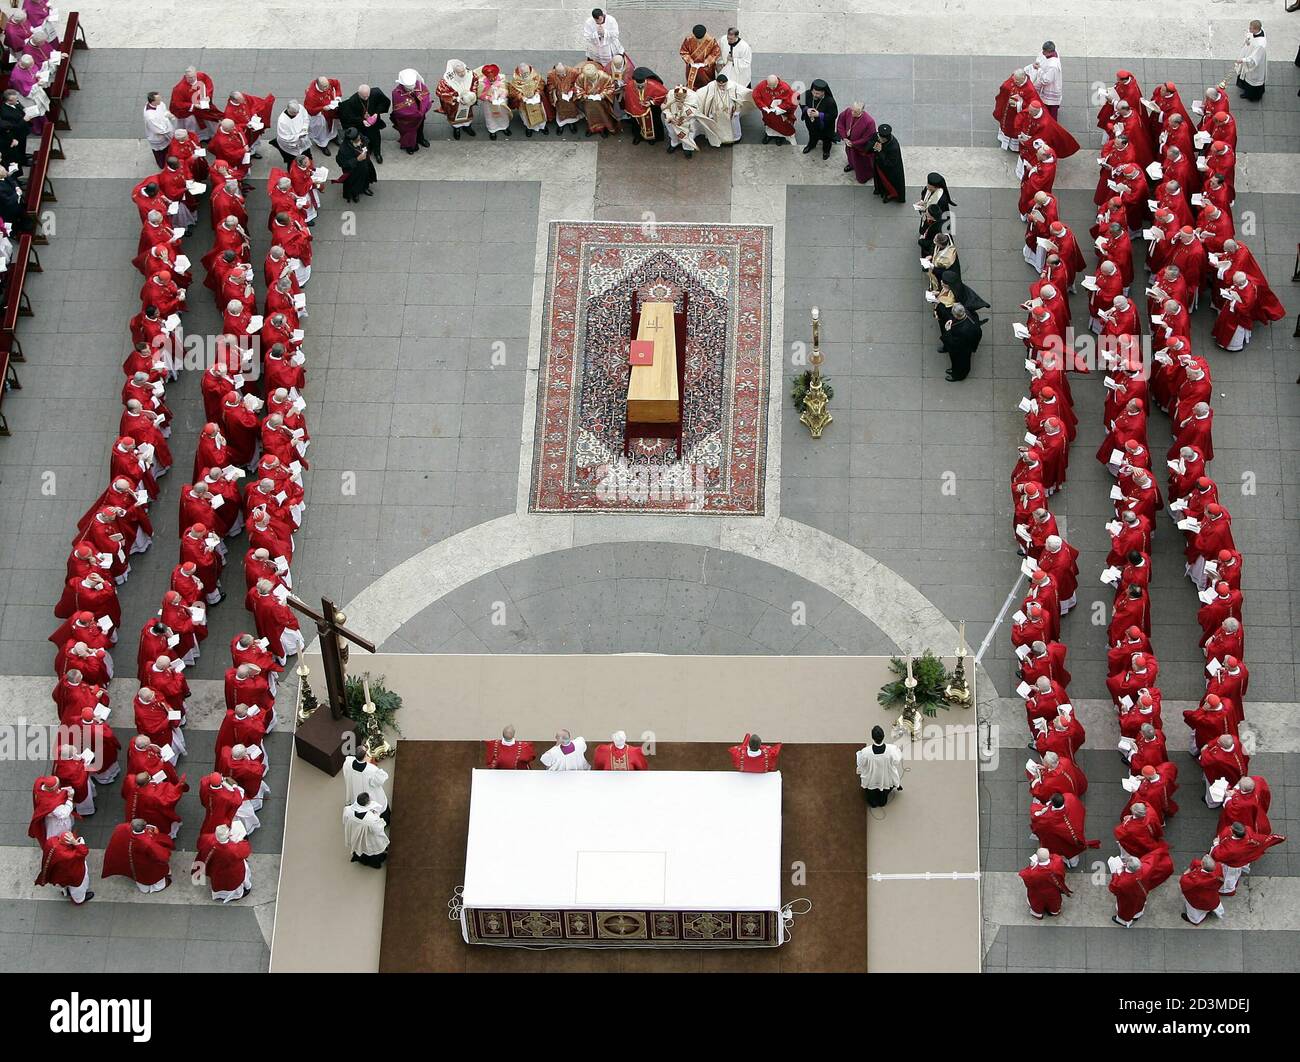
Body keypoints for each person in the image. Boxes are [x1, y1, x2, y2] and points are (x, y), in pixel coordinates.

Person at [1212, 821, 1287, 895]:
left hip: (1232, 864)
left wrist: (1216, 844)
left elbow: (1217, 855)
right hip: (1242, 859)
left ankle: (1228, 890)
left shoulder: (1232, 849)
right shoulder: (1248, 830)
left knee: (1229, 877)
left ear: (1233, 833)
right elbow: (1261, 839)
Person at [102, 818, 174, 893]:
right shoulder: (147, 842)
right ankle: (157, 887)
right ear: (144, 826)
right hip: (146, 862)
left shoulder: (121, 828)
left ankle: (144, 888)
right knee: (155, 873)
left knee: (139, 874)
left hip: (132, 860)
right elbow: (160, 855)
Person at [1109, 846, 1174, 927]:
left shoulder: (1123, 881)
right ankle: (1137, 915)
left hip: (1128, 898)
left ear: (1126, 865)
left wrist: (1115, 873)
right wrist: (1162, 848)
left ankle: (1124, 922)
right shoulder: (1146, 868)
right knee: (1139, 904)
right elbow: (1154, 856)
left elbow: (1113, 888)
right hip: (1141, 893)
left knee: (1126, 909)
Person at [197, 822, 252, 902]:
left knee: (219, 881)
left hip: (216, 869)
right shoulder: (234, 849)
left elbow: (201, 847)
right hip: (232, 871)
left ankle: (221, 895)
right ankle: (237, 894)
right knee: (239, 875)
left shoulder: (207, 839)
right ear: (228, 835)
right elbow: (246, 851)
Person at [35, 831, 94, 906]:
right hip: (73, 875)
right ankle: (78, 900)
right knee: (78, 889)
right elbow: (84, 851)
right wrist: (76, 843)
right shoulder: (68, 855)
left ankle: (65, 891)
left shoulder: (51, 841)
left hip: (58, 874)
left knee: (64, 884)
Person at [338, 84, 389, 164]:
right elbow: (350, 116)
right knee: (364, 139)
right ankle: (369, 149)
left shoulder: (375, 93)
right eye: (363, 97)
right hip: (362, 125)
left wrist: (377, 113)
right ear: (359, 94)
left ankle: (377, 153)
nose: (366, 98)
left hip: (373, 122)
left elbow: (383, 103)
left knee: (376, 138)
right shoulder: (353, 100)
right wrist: (362, 121)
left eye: (367, 96)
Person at [855, 725, 903, 806]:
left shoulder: (865, 752)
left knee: (872, 801)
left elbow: (861, 764)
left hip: (871, 779)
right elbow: (896, 761)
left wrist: (860, 770)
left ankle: (873, 802)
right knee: (882, 802)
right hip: (885, 779)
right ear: (883, 736)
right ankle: (882, 801)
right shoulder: (892, 749)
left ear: (872, 737)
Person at [1019, 847, 1071, 918]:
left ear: (1037, 858)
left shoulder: (1032, 873)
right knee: (1054, 902)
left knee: (1037, 903)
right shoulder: (1058, 862)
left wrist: (1031, 867)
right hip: (1053, 891)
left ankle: (1038, 914)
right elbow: (1055, 858)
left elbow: (1028, 884)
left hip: (1038, 892)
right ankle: (1054, 911)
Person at [392, 69, 433, 154]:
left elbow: (426, 95)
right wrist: (413, 114)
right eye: (408, 87)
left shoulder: (419, 85)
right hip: (407, 120)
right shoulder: (396, 93)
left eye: (412, 86)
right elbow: (399, 109)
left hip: (420, 115)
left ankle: (420, 139)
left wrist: (422, 110)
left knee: (420, 128)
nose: (411, 89)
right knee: (408, 133)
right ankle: (410, 146)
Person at [344, 792, 389, 868]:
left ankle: (360, 858)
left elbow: (345, 820)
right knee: (370, 849)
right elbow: (377, 830)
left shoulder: (348, 810)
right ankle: (374, 863)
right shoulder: (370, 818)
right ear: (367, 803)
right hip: (368, 838)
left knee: (360, 848)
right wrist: (377, 817)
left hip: (355, 835)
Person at [575, 60, 619, 137]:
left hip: (601, 102)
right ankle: (592, 128)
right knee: (590, 116)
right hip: (588, 103)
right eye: (589, 78)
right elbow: (578, 88)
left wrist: (602, 95)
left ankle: (604, 128)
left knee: (603, 115)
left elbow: (611, 88)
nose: (591, 79)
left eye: (592, 77)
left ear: (596, 72)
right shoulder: (581, 78)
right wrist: (586, 96)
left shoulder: (604, 76)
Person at [940, 303, 982, 383]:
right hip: (966, 345)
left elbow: (953, 343)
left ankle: (959, 375)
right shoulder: (966, 313)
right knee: (957, 361)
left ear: (957, 316)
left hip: (962, 349)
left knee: (961, 362)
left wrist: (948, 331)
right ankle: (954, 369)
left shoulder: (964, 330)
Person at [835, 100, 876, 182]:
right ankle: (851, 165)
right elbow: (840, 122)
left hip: (860, 149)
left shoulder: (869, 122)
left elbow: (867, 137)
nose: (852, 113)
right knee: (850, 156)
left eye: (856, 112)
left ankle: (863, 177)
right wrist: (844, 137)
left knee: (861, 164)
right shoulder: (848, 111)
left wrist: (853, 143)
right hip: (849, 144)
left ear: (862, 111)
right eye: (852, 110)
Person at [1179, 854, 1225, 925]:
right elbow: (1197, 862)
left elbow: (1183, 880)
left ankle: (1194, 920)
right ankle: (1209, 911)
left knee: (1195, 912)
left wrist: (1187, 871)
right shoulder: (1218, 867)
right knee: (1211, 903)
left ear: (1202, 865)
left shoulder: (1197, 881)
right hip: (1212, 898)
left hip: (1199, 900)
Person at [916, 172, 954, 258]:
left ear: (936, 187)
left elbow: (941, 214)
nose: (927, 187)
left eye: (929, 186)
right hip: (929, 217)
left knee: (929, 232)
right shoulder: (929, 189)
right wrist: (922, 201)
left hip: (933, 220)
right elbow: (924, 194)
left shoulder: (941, 199)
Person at [751, 74, 797, 145]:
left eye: (774, 86)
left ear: (777, 82)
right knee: (769, 122)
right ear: (767, 83)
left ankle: (779, 137)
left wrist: (779, 108)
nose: (772, 89)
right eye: (770, 86)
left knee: (781, 124)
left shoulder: (785, 87)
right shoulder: (762, 85)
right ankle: (769, 135)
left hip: (779, 112)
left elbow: (790, 101)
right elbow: (756, 95)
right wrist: (763, 106)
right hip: (768, 111)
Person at [509, 64, 551, 138]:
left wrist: (537, 92)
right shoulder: (515, 81)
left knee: (541, 113)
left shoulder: (535, 76)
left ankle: (542, 127)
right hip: (524, 103)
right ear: (519, 72)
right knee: (526, 116)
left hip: (537, 100)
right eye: (523, 73)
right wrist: (521, 97)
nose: (526, 75)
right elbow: (513, 92)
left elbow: (541, 84)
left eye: (527, 73)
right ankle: (529, 128)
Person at [303, 75, 342, 155]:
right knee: (322, 131)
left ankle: (333, 137)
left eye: (328, 86)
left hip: (331, 111)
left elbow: (337, 83)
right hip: (320, 116)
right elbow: (310, 110)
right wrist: (322, 108)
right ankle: (322, 145)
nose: (327, 88)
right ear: (319, 85)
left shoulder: (327, 83)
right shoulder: (311, 95)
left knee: (333, 125)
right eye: (324, 87)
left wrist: (337, 96)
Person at [337, 126, 376, 203]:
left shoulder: (359, 137)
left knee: (365, 177)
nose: (359, 138)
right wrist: (357, 159)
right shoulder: (344, 149)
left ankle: (365, 188)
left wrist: (364, 144)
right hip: (354, 170)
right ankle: (355, 194)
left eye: (359, 137)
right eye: (357, 139)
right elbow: (342, 163)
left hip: (365, 164)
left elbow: (366, 139)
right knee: (355, 182)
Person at [799, 79, 838, 159]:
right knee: (812, 135)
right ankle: (811, 145)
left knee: (826, 140)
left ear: (823, 92)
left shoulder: (830, 101)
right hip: (811, 123)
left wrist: (819, 114)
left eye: (817, 93)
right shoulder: (808, 93)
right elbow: (801, 100)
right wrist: (806, 109)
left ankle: (826, 151)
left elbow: (833, 115)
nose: (814, 95)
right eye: (813, 92)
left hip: (825, 126)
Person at [343, 752, 389, 818]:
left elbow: (346, 773)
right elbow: (380, 780)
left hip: (355, 789)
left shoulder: (348, 762)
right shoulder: (372, 769)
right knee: (376, 803)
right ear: (365, 757)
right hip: (369, 792)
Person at [868, 124, 906, 203]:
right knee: (879, 179)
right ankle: (879, 189)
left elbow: (890, 163)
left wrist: (880, 151)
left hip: (889, 171)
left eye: (881, 138)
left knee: (888, 183)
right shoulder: (878, 136)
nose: (878, 138)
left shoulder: (894, 146)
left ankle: (891, 194)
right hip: (879, 166)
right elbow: (870, 142)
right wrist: (873, 146)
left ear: (886, 138)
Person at [680, 24, 720, 90]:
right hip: (692, 67)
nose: (699, 40)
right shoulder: (688, 39)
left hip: (706, 68)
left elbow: (716, 52)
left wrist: (708, 61)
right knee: (693, 84)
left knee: (707, 85)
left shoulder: (711, 41)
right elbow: (683, 52)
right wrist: (689, 60)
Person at [1235, 21, 1268, 100]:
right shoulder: (1257, 32)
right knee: (1245, 75)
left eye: (1251, 28)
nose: (1249, 29)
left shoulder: (1260, 44)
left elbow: (1254, 59)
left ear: (1256, 29)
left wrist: (1243, 60)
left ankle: (1250, 95)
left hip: (1254, 64)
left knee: (1252, 77)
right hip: (1248, 55)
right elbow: (1250, 39)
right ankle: (1244, 87)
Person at [1028, 42, 1062, 118]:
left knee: (1051, 110)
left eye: (1045, 52)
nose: (1042, 53)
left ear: (1050, 52)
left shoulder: (1053, 65)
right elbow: (1042, 60)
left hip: (1051, 88)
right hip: (1051, 84)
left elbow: (1046, 80)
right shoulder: (1052, 54)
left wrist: (1039, 69)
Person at [142, 91, 176, 166]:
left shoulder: (159, 104)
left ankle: (168, 158)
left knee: (168, 148)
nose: (161, 100)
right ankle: (161, 164)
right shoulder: (150, 116)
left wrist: (169, 115)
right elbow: (158, 130)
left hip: (166, 129)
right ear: (153, 102)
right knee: (160, 152)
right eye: (158, 99)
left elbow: (164, 111)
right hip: (158, 137)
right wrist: (170, 132)